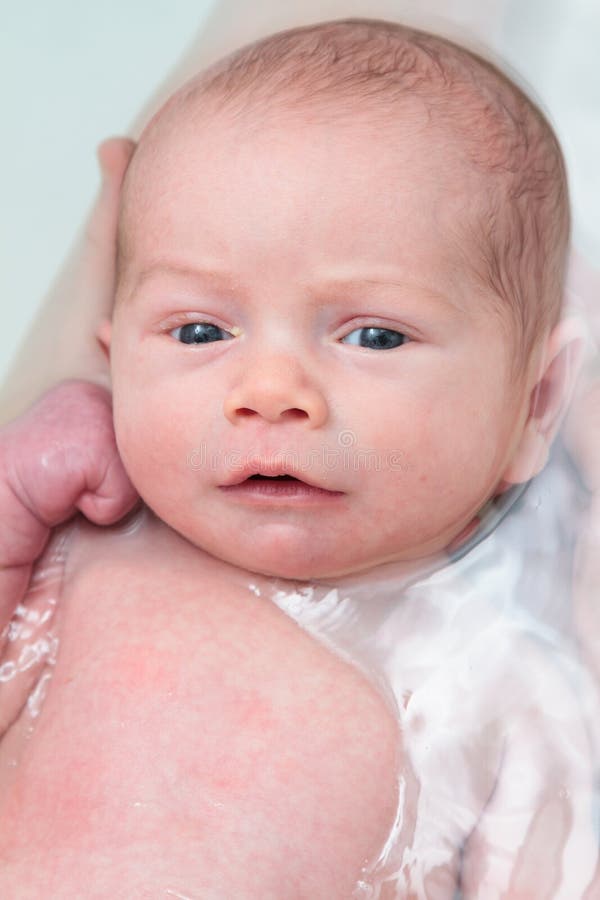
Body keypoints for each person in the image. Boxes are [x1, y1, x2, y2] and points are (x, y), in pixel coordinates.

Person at [1, 18, 599, 898]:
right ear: (115, 356)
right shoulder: (85, 552)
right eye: (199, 330)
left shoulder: (506, 678)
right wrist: (16, 497)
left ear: (535, 405)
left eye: (375, 335)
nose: (271, 389)